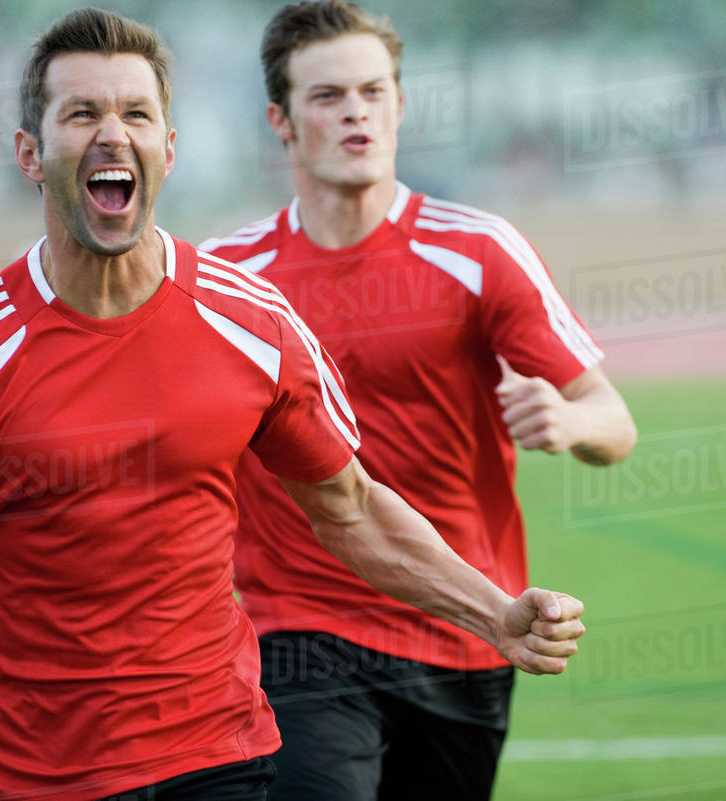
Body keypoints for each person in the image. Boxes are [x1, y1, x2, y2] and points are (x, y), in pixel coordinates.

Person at [0, 8, 587, 801]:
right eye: (81, 113)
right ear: (30, 153)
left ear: (169, 148)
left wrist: (496, 613)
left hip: (214, 757)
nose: (113, 133)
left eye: (136, 114)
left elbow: (351, 510)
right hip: (16, 775)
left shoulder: (253, 325)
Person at [199, 3, 636, 799]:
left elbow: (615, 421)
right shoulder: (227, 277)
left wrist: (571, 421)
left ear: (400, 104)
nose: (355, 110)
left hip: (466, 623)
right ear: (282, 120)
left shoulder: (477, 250)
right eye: (327, 95)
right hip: (298, 628)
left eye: (373, 90)